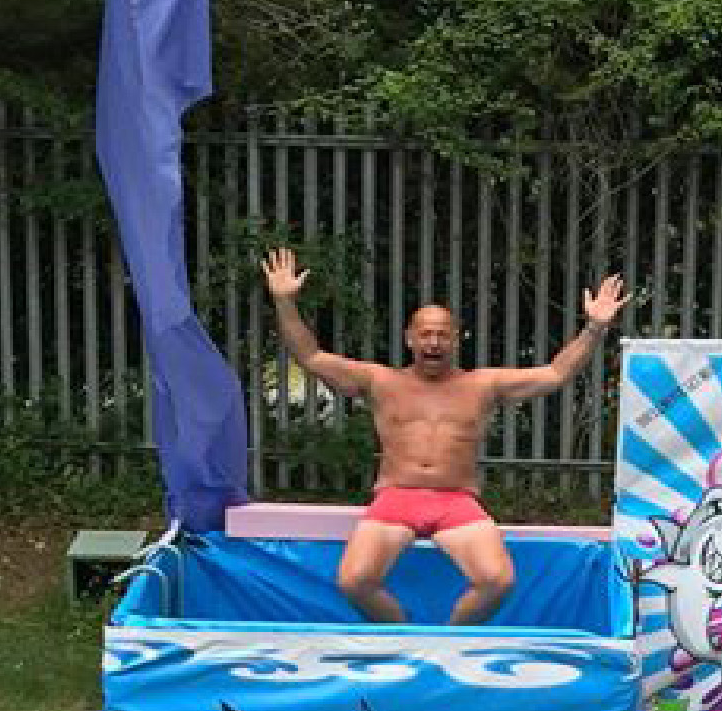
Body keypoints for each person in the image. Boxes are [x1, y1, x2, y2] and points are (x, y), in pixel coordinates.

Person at [260, 249, 629, 625]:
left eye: (441, 334)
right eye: (425, 334)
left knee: (497, 580)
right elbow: (311, 356)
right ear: (410, 339)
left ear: (455, 339)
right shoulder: (380, 380)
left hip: (456, 501)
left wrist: (594, 327)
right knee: (355, 581)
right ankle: (407, 639)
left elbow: (554, 374)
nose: (433, 342)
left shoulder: (482, 384)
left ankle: (449, 641)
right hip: (396, 498)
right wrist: (284, 301)